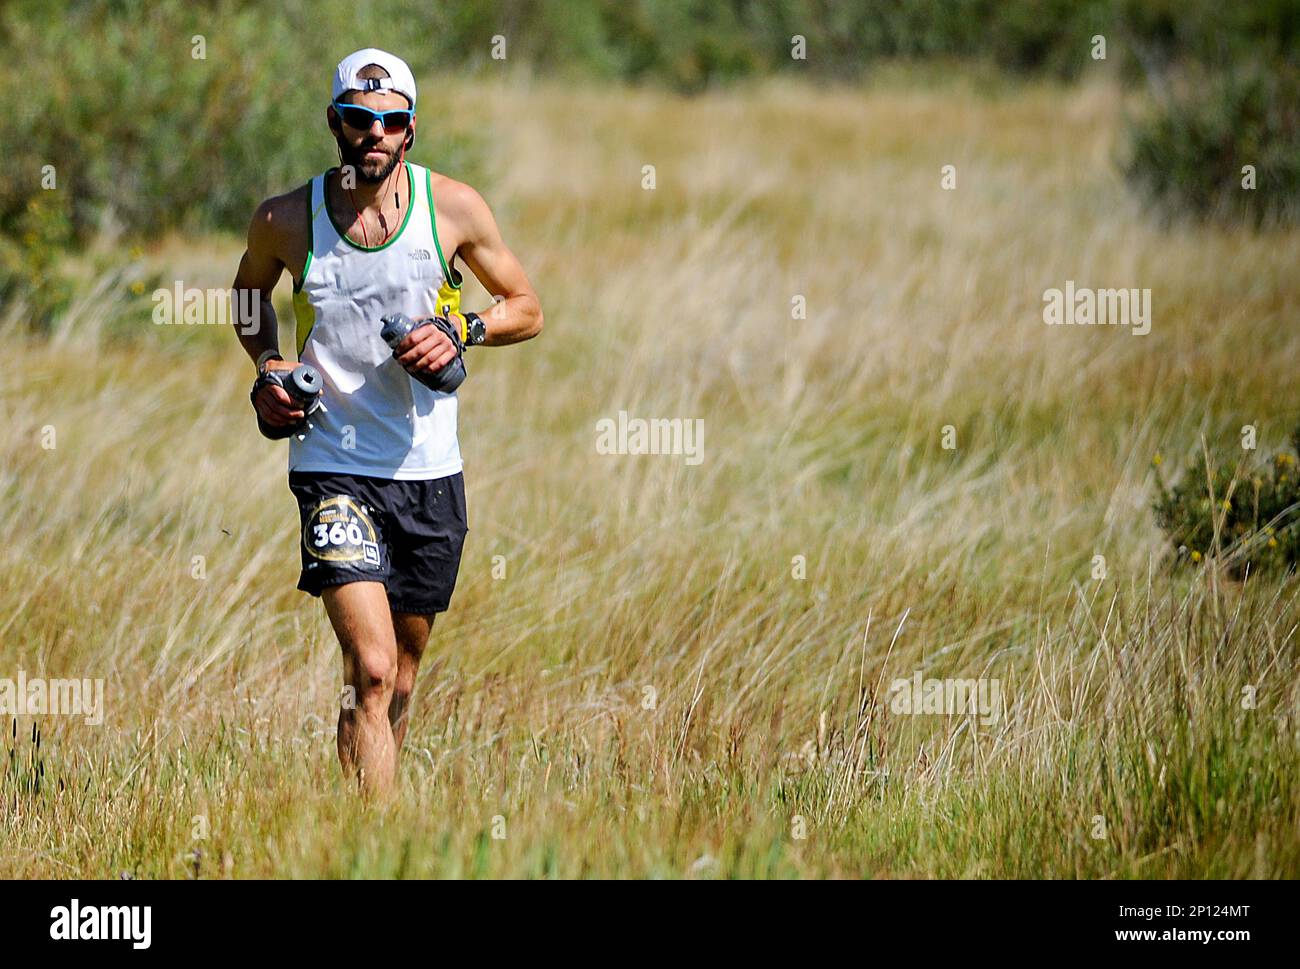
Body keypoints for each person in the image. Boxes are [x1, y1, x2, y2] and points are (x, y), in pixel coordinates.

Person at [230, 48, 543, 796]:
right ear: (335, 123)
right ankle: (376, 843)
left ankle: (358, 816)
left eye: (392, 120)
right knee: (370, 668)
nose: (375, 132)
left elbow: (528, 307)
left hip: (429, 470)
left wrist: (462, 330)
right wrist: (269, 366)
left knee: (398, 677)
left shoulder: (455, 209)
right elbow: (247, 297)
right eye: (360, 119)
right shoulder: (284, 218)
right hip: (331, 462)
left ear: (411, 129)